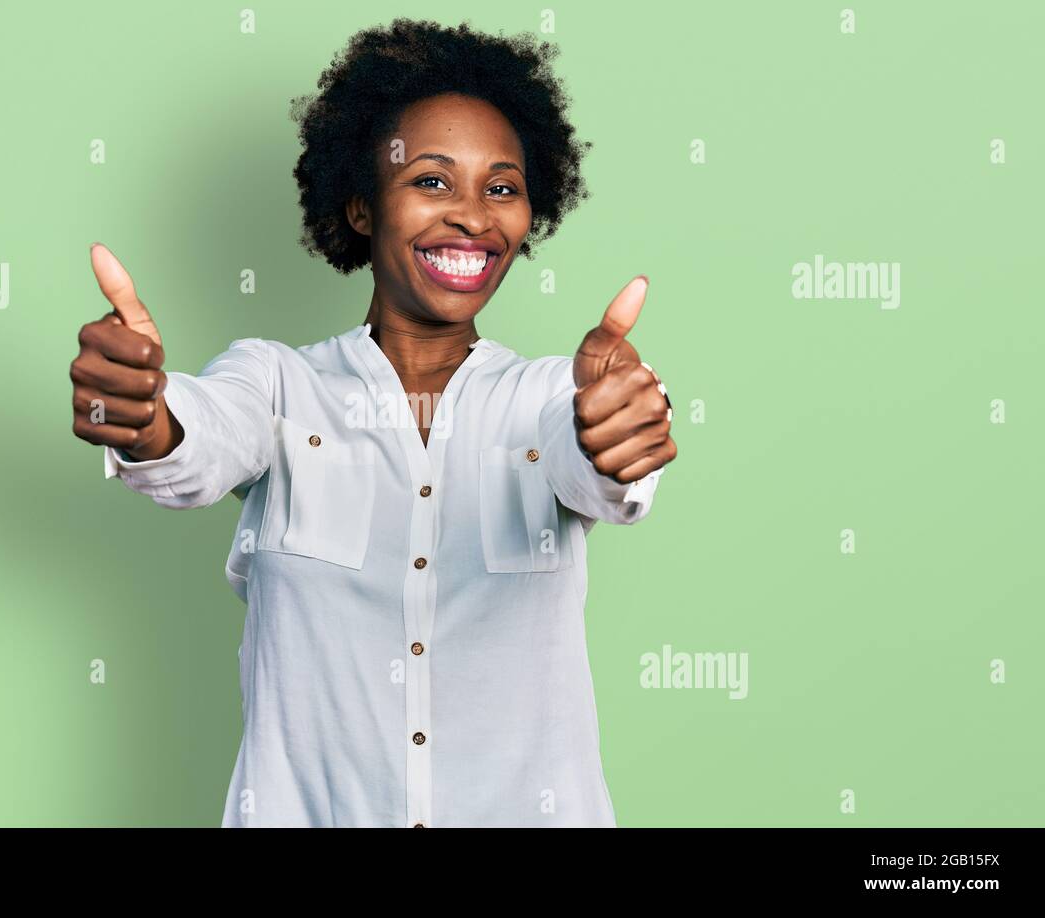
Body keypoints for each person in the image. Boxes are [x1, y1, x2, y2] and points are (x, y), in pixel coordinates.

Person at [70, 18, 677, 827]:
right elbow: (203, 436)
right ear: (361, 206)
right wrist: (143, 416)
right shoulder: (280, 383)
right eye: (431, 181)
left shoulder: (548, 396)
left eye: (501, 187)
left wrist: (618, 444)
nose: (473, 216)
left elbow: (590, 455)